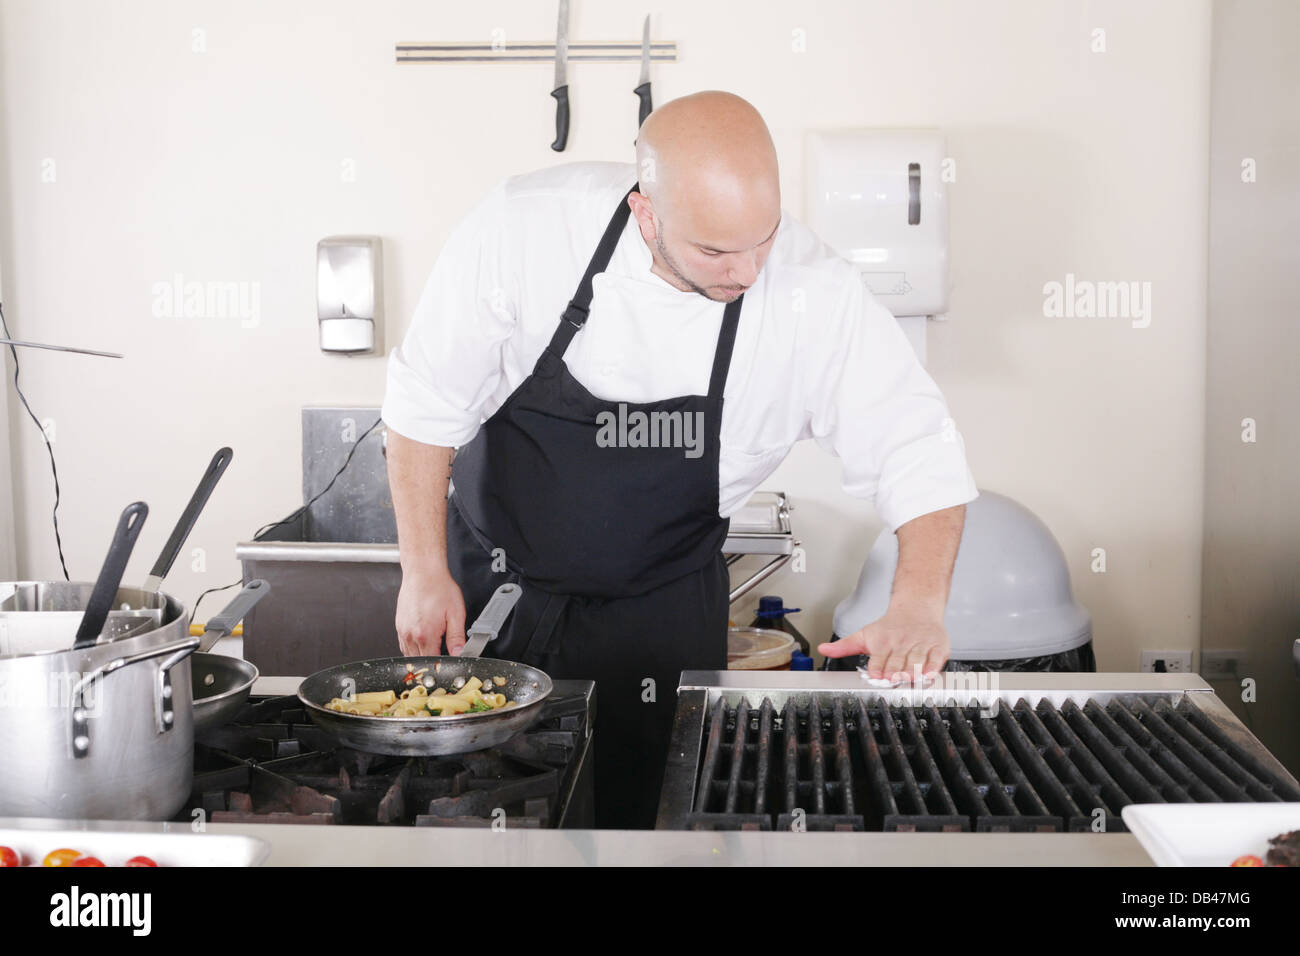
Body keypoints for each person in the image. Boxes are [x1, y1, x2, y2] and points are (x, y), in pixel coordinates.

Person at [381, 90, 977, 829]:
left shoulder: (813, 293)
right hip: (497, 600)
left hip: (662, 613)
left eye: (764, 238)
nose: (750, 272)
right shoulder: (525, 229)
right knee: (477, 814)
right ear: (646, 214)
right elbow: (422, 404)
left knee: (656, 822)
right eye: (716, 252)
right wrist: (422, 570)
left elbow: (915, 442)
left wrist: (918, 603)